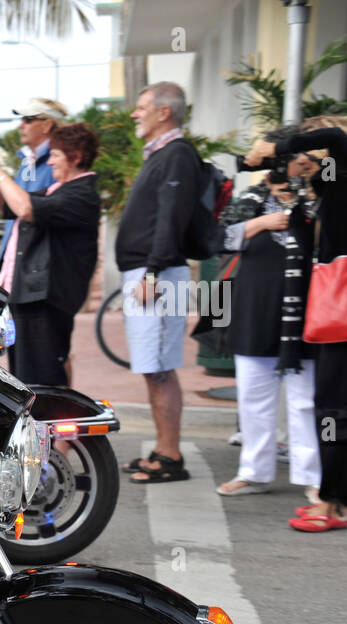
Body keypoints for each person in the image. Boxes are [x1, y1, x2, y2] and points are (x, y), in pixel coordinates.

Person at [245, 116, 347, 530]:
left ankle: (333, 503)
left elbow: (334, 137)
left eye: (307, 154)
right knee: (346, 406)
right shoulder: (335, 188)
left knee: (336, 407)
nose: (299, 162)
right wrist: (300, 198)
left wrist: (278, 146)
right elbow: (309, 246)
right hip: (342, 309)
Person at [214, 166, 320, 499]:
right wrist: (261, 222)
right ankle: (253, 472)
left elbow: (331, 237)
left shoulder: (318, 198)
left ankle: (314, 477)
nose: (286, 177)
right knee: (253, 398)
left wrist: (298, 205)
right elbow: (218, 239)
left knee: (305, 400)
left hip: (304, 310)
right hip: (255, 308)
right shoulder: (252, 199)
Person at [115, 81, 203, 484]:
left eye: (141, 106)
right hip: (152, 273)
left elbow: (172, 217)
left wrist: (152, 272)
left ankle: (170, 456)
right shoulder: (163, 154)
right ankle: (162, 449)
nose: (135, 113)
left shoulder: (178, 154)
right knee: (154, 368)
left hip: (160, 276)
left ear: (164, 112)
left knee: (162, 368)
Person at [0, 122, 101, 387]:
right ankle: (37, 426)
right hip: (28, 294)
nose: (51, 162)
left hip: (46, 298)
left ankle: (51, 426)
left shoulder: (81, 194)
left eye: (56, 155)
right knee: (26, 378)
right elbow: (7, 207)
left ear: (76, 158)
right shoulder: (58, 190)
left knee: (42, 381)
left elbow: (25, 208)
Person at [0, 97, 67, 277]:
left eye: (28, 120)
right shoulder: (28, 160)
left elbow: (25, 209)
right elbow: (6, 209)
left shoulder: (58, 163)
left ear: (46, 125)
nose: (21, 125)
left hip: (37, 268)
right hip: (15, 260)